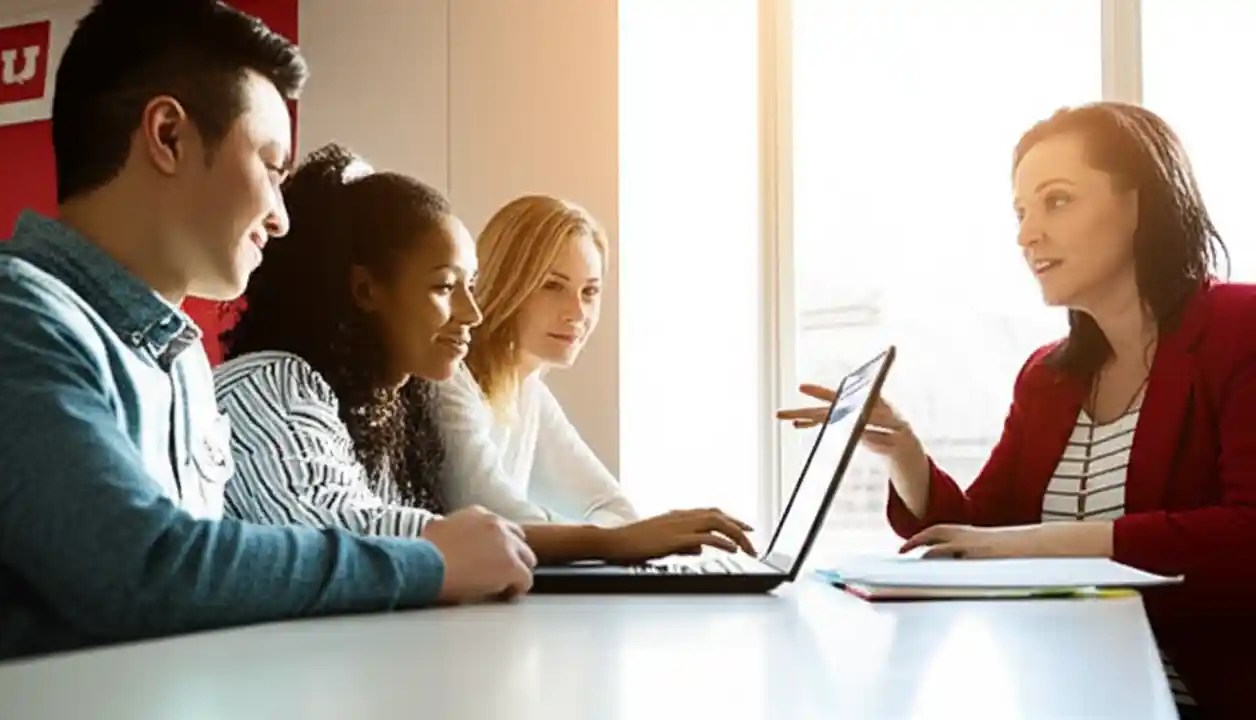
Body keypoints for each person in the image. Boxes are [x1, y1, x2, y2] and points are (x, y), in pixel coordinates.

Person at [0, 0, 532, 663]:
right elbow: (143, 566)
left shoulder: (179, 359)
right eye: (271, 169)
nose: (280, 218)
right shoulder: (6, 313)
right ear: (168, 137)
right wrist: (427, 561)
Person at [779, 102, 1254, 719]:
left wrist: (1035, 544)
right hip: (1062, 692)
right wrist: (905, 453)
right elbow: (977, 533)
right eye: (1021, 212)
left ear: (1140, 203)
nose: (1028, 235)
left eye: (1057, 201)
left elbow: (1245, 537)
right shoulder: (1048, 378)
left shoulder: (1238, 329)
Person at [215, 144, 755, 565]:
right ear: (366, 290)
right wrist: (608, 543)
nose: (473, 313)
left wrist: (628, 540)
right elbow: (351, 532)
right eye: (445, 287)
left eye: (470, 286)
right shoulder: (270, 383)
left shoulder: (385, 409)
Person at [434, 195, 636, 525]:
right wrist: (611, 540)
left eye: (589, 292)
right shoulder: (451, 381)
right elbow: (495, 517)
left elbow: (618, 510)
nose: (577, 313)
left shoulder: (529, 391)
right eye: (552, 286)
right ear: (506, 284)